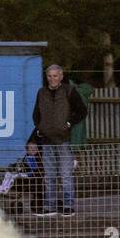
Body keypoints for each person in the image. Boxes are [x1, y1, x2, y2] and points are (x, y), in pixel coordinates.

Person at [31, 63, 86, 217]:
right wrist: (41, 126)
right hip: (47, 141)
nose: (52, 79)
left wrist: (68, 124)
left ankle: (68, 206)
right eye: (49, 76)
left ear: (61, 76)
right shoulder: (41, 92)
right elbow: (36, 114)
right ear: (46, 77)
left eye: (55, 75)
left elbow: (82, 111)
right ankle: (50, 207)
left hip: (64, 140)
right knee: (49, 176)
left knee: (65, 174)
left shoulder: (70, 91)